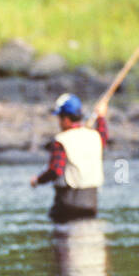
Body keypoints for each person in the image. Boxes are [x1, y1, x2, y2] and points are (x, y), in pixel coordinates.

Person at [31, 93, 109, 221]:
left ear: (66, 119)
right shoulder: (95, 136)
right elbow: (103, 136)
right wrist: (101, 117)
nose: (59, 122)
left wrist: (37, 180)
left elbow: (55, 170)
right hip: (90, 204)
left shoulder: (60, 141)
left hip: (67, 205)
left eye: (60, 118)